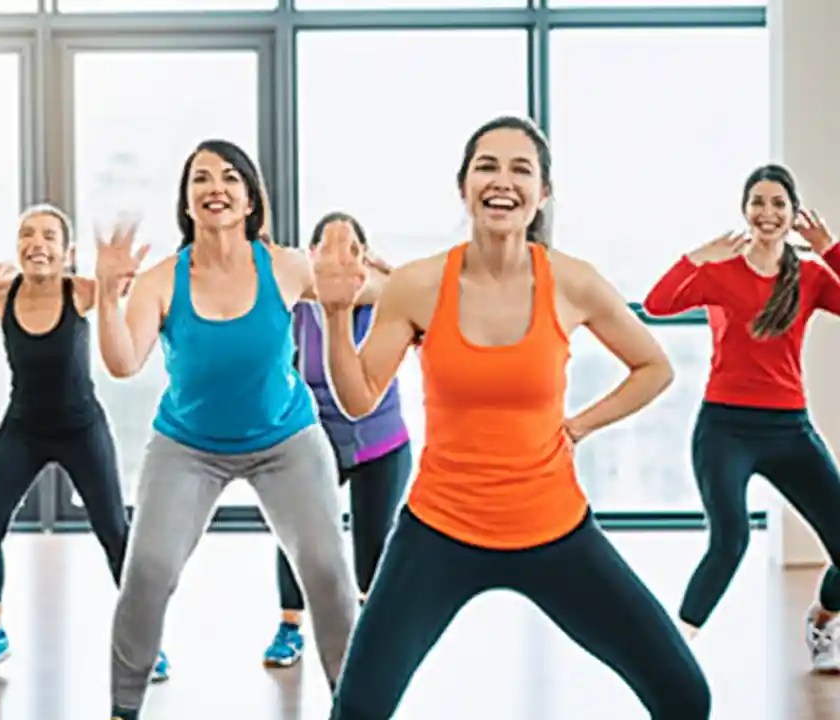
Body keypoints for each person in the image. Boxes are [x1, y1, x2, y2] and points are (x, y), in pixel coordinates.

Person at [314, 115, 710, 719]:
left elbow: (654, 367)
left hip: (554, 529)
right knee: (357, 711)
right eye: (487, 166)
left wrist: (577, 426)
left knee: (685, 696)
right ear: (464, 187)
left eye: (521, 169)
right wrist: (338, 314)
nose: (503, 181)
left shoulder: (572, 282)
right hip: (438, 529)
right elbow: (360, 395)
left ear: (542, 194)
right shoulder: (418, 284)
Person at [97, 139, 359, 720]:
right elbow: (122, 362)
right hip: (188, 446)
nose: (215, 187)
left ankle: (356, 703)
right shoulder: (163, 278)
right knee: (147, 571)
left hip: (286, 443)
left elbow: (360, 288)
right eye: (201, 179)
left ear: (249, 199)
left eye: (229, 178)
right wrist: (108, 297)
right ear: (187, 201)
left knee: (326, 570)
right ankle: (123, 707)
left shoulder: (285, 264)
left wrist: (407, 290)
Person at [0, 204, 169, 684]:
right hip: (24, 428)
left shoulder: (78, 292)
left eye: (48, 237)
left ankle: (147, 641)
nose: (36, 244)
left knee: (114, 532)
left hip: (82, 428)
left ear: (67, 252)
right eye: (26, 235)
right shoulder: (2, 294)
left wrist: (111, 281)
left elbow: (120, 298)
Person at [642, 163, 840, 671]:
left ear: (794, 213)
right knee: (730, 540)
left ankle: (821, 623)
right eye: (758, 202)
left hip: (790, 429)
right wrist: (694, 258)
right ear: (744, 210)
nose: (768, 212)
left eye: (779, 203)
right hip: (726, 428)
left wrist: (829, 249)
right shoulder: (721, 271)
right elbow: (657, 304)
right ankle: (674, 652)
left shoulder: (811, 276)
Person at [263, 211, 409, 669]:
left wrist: (385, 275)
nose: (339, 258)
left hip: (381, 445)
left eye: (351, 248)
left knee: (372, 548)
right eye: (327, 247)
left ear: (365, 258)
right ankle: (290, 627)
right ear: (310, 257)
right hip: (315, 441)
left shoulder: (384, 297)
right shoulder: (300, 302)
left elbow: (404, 289)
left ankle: (370, 634)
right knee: (297, 534)